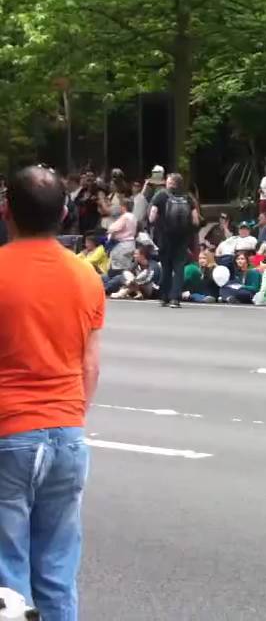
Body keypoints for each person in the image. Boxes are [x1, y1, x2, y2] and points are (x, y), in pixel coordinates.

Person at [0, 165, 102, 621]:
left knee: (7, 578)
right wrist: (70, 418)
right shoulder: (85, 277)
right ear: (65, 213)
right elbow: (89, 364)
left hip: (9, 433)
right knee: (58, 574)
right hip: (67, 435)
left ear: (6, 212)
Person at [147, 172, 199, 309]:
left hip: (164, 237)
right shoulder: (188, 197)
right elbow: (195, 219)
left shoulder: (161, 195)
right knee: (179, 267)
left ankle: (164, 297)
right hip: (182, 238)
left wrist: (154, 225)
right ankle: (175, 299)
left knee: (166, 267)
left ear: (170, 183)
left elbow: (152, 216)